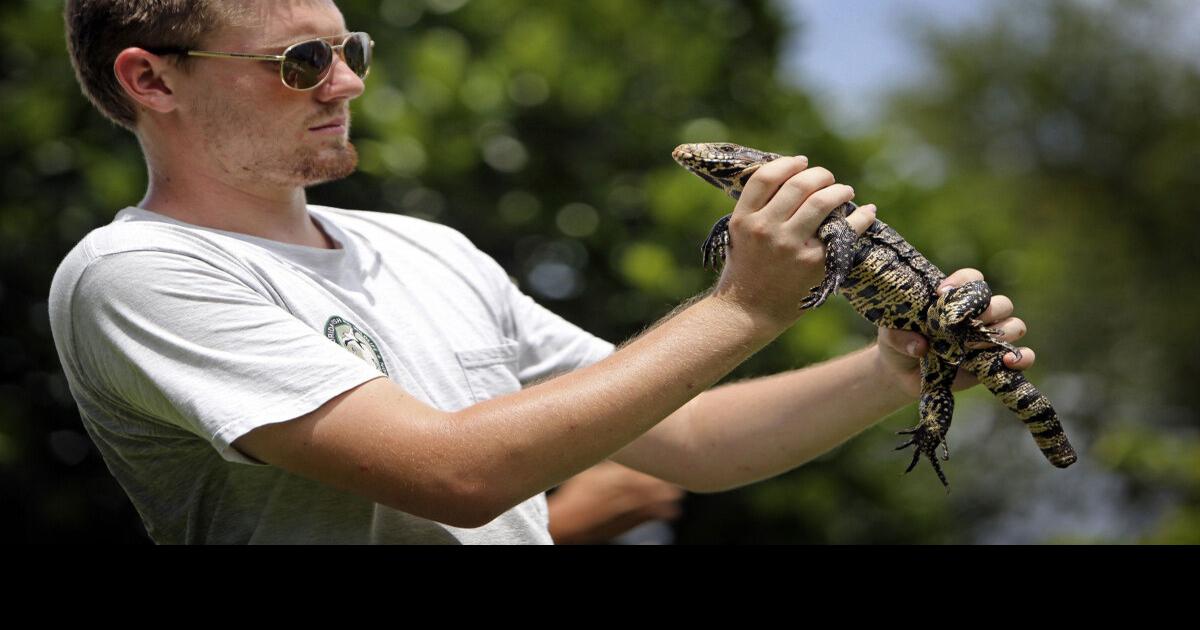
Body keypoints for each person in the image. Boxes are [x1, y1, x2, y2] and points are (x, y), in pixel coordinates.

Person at [50, 0, 1036, 544]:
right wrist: (743, 304)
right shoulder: (137, 273)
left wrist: (896, 368)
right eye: (301, 60)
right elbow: (455, 475)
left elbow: (688, 437)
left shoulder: (428, 251)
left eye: (349, 48)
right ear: (151, 78)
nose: (349, 81)